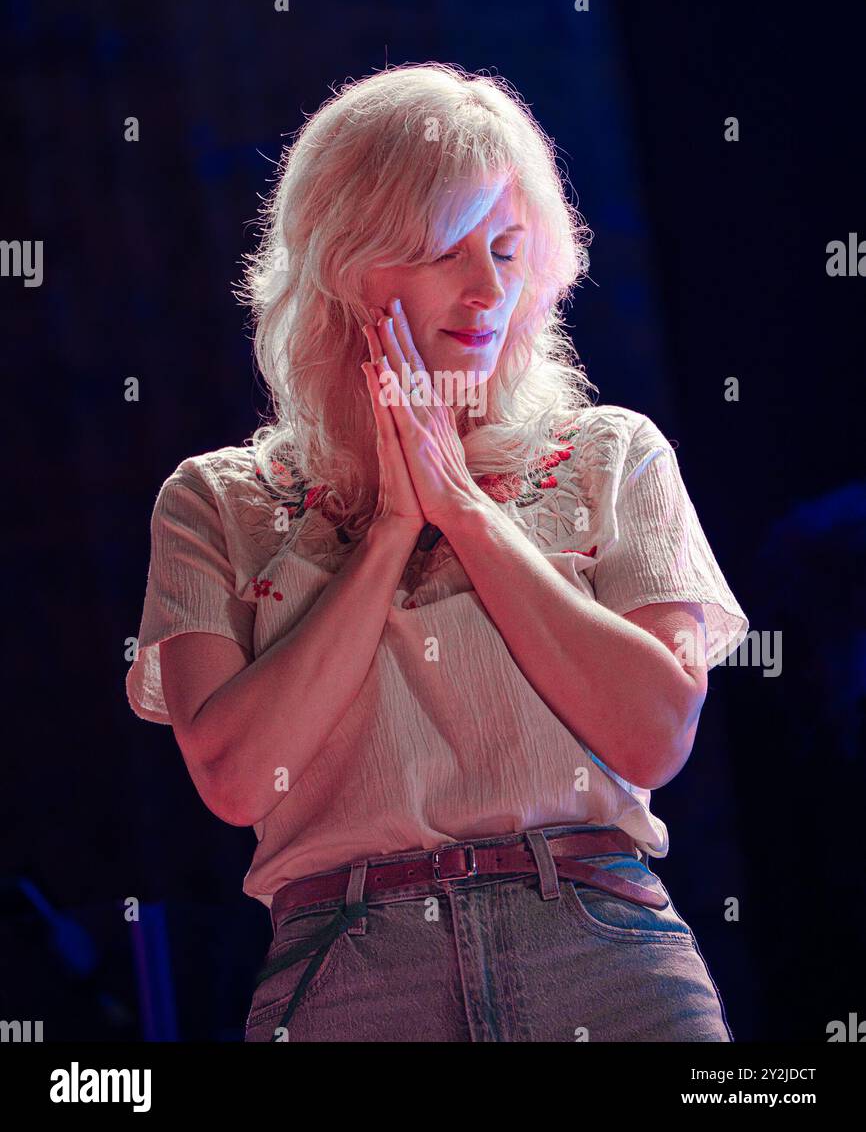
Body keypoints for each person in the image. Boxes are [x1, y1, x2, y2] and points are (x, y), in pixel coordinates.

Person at [127, 62, 749, 1042]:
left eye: (507, 249)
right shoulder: (216, 501)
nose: (487, 289)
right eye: (443, 250)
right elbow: (238, 780)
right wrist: (384, 533)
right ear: (341, 261)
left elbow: (654, 735)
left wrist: (460, 509)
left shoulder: (608, 455)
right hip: (348, 964)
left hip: (597, 946)